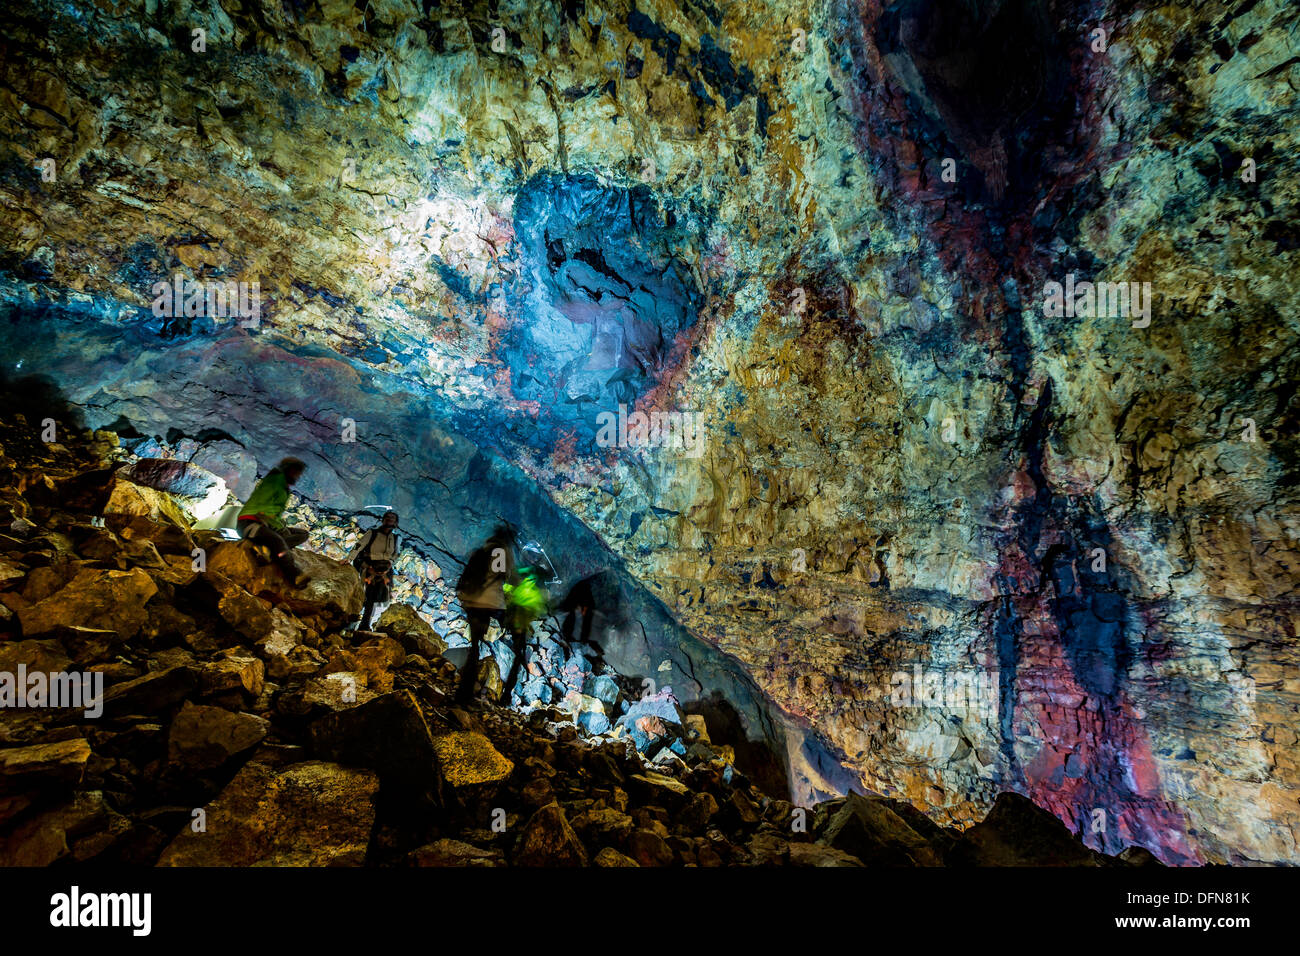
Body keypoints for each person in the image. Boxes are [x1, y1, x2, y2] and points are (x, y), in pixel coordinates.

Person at [454, 524, 519, 705]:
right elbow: (506, 576)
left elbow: (470, 572)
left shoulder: (483, 549)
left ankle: (464, 690)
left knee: (474, 646)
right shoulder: (505, 552)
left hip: (473, 601)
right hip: (490, 602)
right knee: (476, 646)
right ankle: (466, 691)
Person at [237, 457, 311, 587]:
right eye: (295, 472)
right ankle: (295, 575)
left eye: (298, 474)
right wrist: (279, 527)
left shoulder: (283, 486)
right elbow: (263, 511)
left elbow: (274, 512)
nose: (297, 477)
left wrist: (280, 525)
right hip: (250, 523)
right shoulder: (274, 481)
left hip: (268, 524)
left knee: (303, 534)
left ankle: (268, 553)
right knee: (278, 541)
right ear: (287, 469)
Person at [350, 510, 400, 630]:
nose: (390, 520)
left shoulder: (396, 538)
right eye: (388, 518)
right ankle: (358, 620)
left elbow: (396, 554)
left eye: (392, 518)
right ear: (383, 520)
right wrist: (349, 558)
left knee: (377, 596)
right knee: (367, 594)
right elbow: (358, 545)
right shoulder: (372, 533)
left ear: (396, 523)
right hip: (370, 567)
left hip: (385, 569)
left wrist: (390, 564)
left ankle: (364, 622)